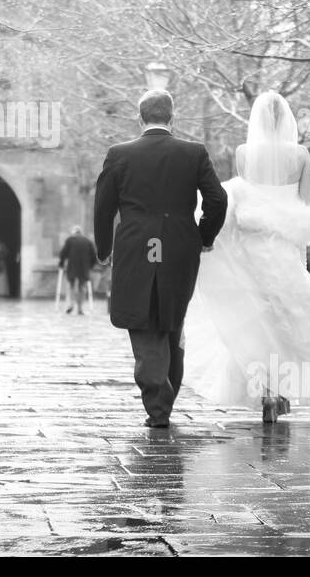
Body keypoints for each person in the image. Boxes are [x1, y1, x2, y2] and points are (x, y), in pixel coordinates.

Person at [181, 90, 310, 423]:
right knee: (288, 323)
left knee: (258, 323)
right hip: (284, 251)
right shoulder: (301, 156)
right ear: (287, 119)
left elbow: (236, 198)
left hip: (251, 251)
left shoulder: (244, 153)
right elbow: (308, 203)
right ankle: (280, 391)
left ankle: (266, 391)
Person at [94, 88, 227, 428]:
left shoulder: (119, 154)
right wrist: (204, 236)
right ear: (172, 117)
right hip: (179, 246)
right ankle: (165, 397)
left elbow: (104, 207)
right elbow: (217, 199)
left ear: (140, 118)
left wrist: (104, 249)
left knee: (142, 320)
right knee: (172, 322)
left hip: (137, 245)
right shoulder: (193, 152)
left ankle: (158, 405)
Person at [58, 226, 98, 314]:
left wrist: (61, 263)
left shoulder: (70, 240)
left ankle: (71, 304)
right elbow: (94, 256)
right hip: (84, 268)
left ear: (74, 232)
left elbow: (63, 253)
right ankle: (80, 308)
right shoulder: (87, 241)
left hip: (72, 267)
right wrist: (90, 266)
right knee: (82, 287)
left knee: (71, 286)